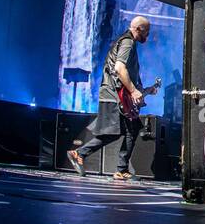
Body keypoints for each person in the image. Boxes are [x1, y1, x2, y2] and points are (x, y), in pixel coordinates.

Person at [68, 16, 160, 180]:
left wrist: (145, 90)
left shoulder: (127, 42)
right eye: (147, 31)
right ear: (139, 29)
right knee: (118, 131)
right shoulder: (128, 42)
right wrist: (133, 91)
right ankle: (81, 154)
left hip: (116, 94)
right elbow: (119, 68)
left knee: (129, 130)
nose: (148, 35)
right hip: (113, 94)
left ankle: (120, 168)